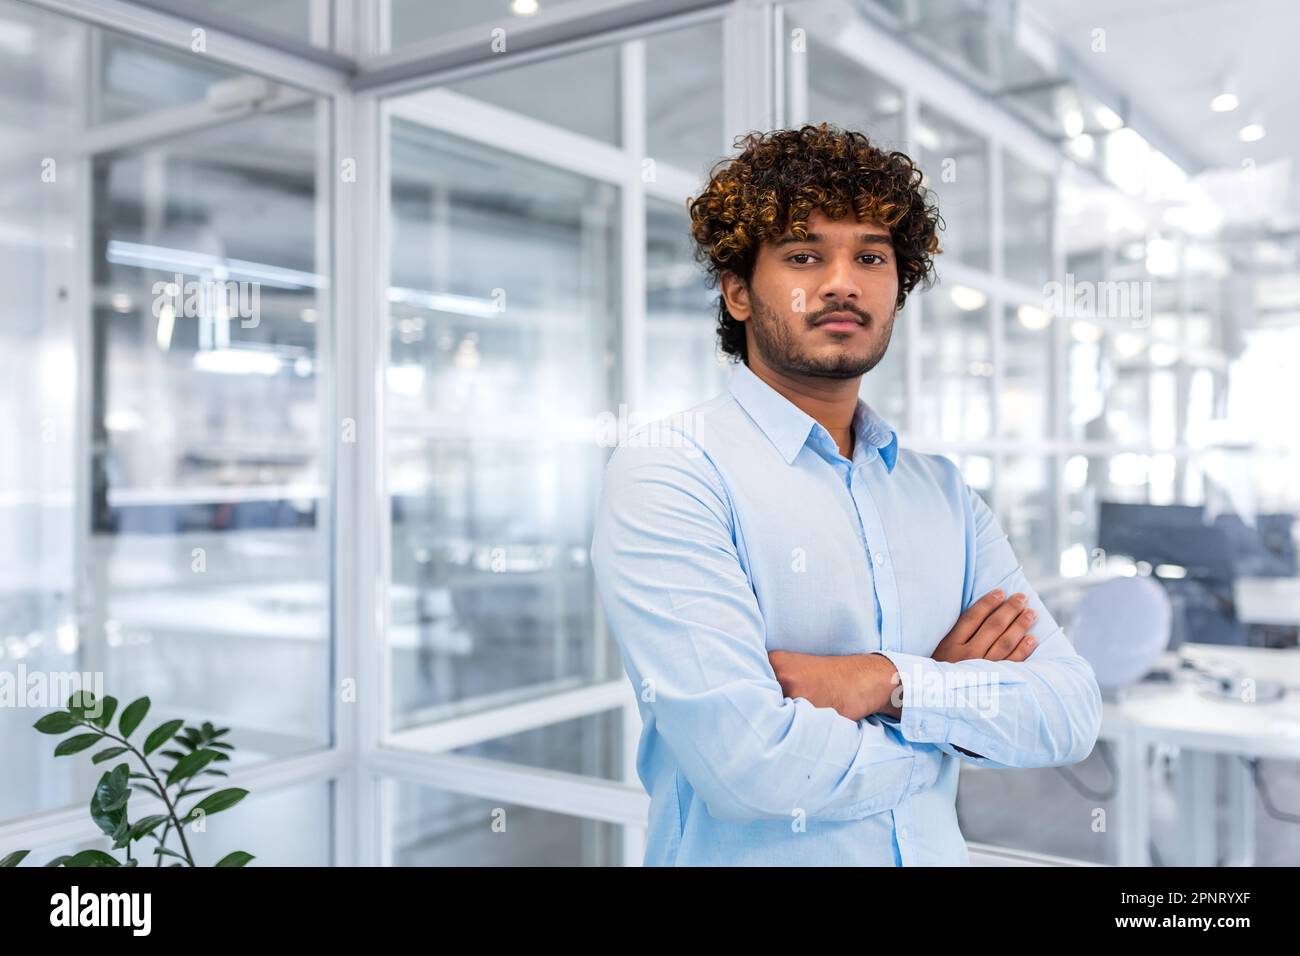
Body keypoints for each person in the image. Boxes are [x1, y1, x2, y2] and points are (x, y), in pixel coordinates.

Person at [589, 122, 1102, 866]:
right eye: (803, 255)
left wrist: (883, 680)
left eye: (871, 255)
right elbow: (753, 770)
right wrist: (944, 716)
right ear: (737, 292)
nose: (841, 281)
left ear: (899, 285)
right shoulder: (671, 472)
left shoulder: (942, 495)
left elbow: (1069, 712)